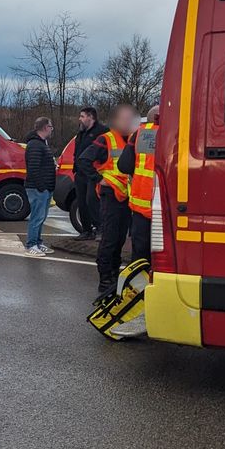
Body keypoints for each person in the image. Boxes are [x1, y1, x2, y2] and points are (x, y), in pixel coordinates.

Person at [77, 104, 137, 303]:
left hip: (125, 195)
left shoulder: (131, 139)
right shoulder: (106, 139)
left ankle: (113, 274)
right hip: (110, 194)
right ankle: (105, 280)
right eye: (126, 119)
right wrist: (97, 178)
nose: (129, 123)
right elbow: (84, 160)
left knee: (119, 239)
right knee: (110, 239)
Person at [118, 105, 160, 267]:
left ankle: (137, 288)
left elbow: (124, 166)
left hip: (140, 203)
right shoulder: (173, 133)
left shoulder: (138, 134)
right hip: (163, 205)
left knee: (140, 253)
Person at [73, 107, 109, 241]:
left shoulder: (102, 132)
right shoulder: (81, 133)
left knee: (92, 201)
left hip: (94, 173)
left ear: (91, 117)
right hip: (81, 173)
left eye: (82, 116)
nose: (79, 119)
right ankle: (86, 230)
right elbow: (77, 152)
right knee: (81, 203)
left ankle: (100, 229)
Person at [23, 117, 56, 256]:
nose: (51, 129)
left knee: (41, 217)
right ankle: (31, 244)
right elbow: (33, 168)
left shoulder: (42, 143)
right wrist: (42, 186)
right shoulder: (35, 145)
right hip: (38, 188)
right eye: (50, 126)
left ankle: (38, 242)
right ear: (44, 127)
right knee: (37, 217)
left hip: (44, 187)